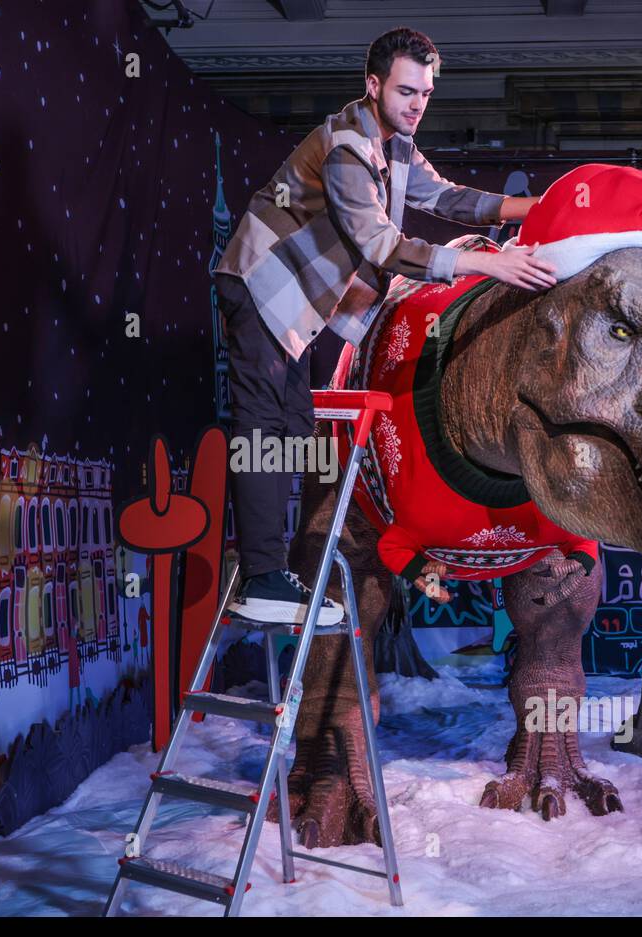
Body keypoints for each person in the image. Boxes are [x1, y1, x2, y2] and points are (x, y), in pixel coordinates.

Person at [211, 26, 555, 626]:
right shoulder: (348, 146)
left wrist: (532, 209)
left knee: (291, 425)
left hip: (294, 309)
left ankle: (268, 571)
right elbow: (379, 243)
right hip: (260, 286)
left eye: (424, 92)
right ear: (373, 86)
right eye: (405, 91)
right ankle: (262, 579)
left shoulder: (396, 144)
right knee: (264, 429)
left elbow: (446, 198)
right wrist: (486, 261)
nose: (417, 103)